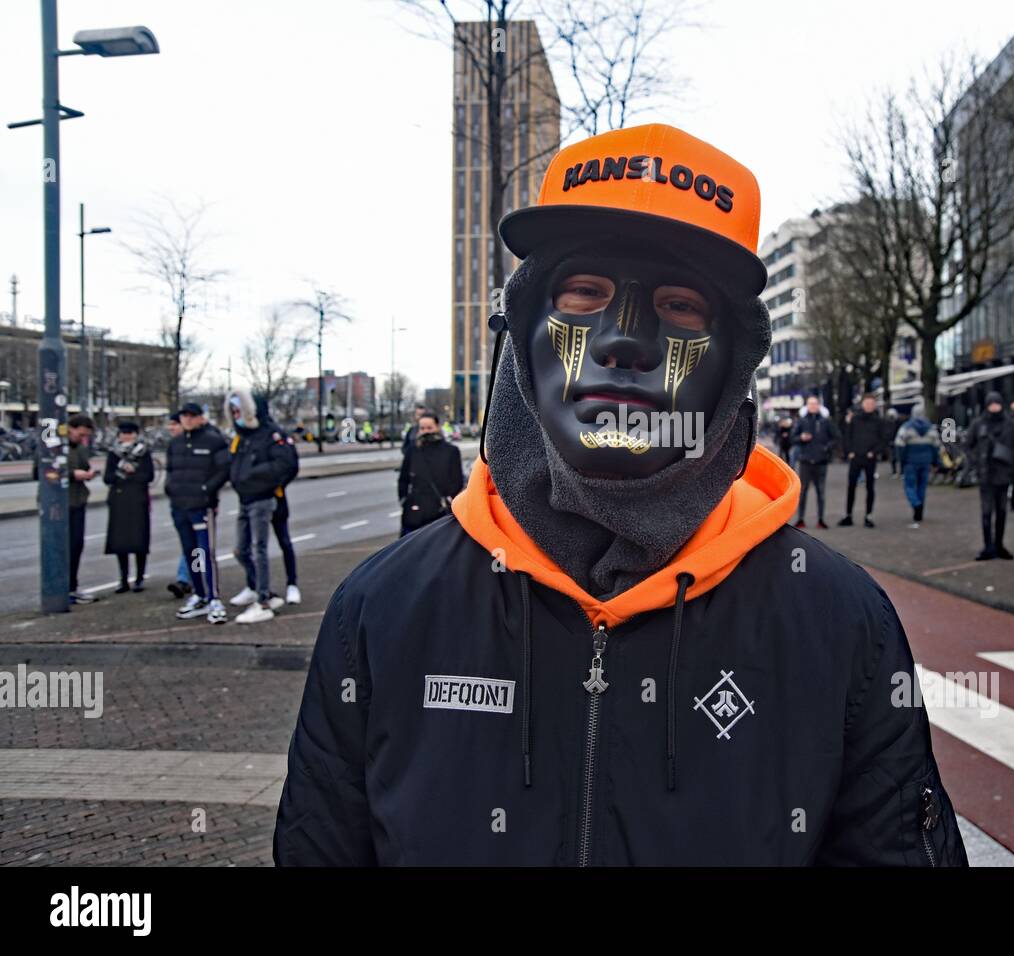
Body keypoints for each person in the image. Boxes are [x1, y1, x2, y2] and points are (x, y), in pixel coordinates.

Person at [274, 123, 966, 867]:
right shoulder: (385, 611)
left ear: (735, 367)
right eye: (583, 293)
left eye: (679, 306)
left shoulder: (837, 622)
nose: (623, 339)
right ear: (520, 340)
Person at [227, 390, 297, 624]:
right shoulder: (242, 436)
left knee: (261, 548)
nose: (236, 415)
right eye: (233, 411)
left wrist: (255, 479)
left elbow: (285, 465)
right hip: (245, 499)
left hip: (262, 499)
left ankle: (264, 599)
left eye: (240, 410)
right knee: (240, 550)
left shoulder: (271, 434)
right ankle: (257, 587)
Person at [167, 401, 231, 624]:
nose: (187, 419)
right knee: (192, 552)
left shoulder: (213, 441)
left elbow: (224, 469)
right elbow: (170, 470)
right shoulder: (175, 444)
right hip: (180, 506)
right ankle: (200, 593)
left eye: (192, 416)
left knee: (206, 553)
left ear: (201, 417)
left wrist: (207, 491)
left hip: (202, 507)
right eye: (184, 416)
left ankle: (214, 597)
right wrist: (171, 489)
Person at [966, 392, 1014, 560]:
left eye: (997, 404)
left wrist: (1013, 462)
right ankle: (987, 546)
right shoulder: (978, 424)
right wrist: (976, 461)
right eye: (991, 404)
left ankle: (999, 545)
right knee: (986, 512)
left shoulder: (1012, 424)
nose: (994, 407)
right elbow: (968, 445)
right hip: (986, 474)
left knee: (1002, 511)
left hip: (1004, 473)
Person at [103, 422, 153, 593]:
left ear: (136, 434)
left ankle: (139, 578)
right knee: (120, 541)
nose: (126, 436)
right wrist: (120, 472)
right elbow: (107, 477)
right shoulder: (114, 454)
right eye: (123, 433)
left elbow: (149, 476)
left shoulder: (144, 453)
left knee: (139, 539)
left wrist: (133, 473)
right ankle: (123, 579)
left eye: (130, 433)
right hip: (119, 500)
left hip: (138, 499)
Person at [398, 412, 463, 536]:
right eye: (422, 428)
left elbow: (457, 480)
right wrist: (404, 501)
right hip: (415, 512)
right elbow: (403, 479)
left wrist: (448, 499)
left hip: (440, 511)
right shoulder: (412, 451)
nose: (426, 431)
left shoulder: (451, 451)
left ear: (437, 427)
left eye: (429, 428)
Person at [839, 394, 889, 527]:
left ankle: (868, 515)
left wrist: (874, 452)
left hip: (869, 458)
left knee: (870, 487)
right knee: (851, 487)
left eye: (872, 404)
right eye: (867, 403)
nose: (869, 406)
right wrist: (849, 451)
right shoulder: (855, 419)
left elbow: (883, 439)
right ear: (862, 404)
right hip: (855, 457)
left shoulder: (879, 421)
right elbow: (847, 435)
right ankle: (848, 515)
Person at [792, 394, 839, 529]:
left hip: (821, 461)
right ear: (807, 406)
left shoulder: (826, 421)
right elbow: (792, 438)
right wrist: (801, 438)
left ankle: (821, 519)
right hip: (806, 461)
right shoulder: (802, 421)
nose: (812, 406)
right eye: (810, 404)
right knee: (803, 492)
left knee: (821, 492)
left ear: (819, 405)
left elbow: (836, 437)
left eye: (815, 403)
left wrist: (826, 448)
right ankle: (800, 519)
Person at [66, 414, 98, 605]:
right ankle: (62, 587)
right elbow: (42, 471)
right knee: (63, 546)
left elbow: (85, 466)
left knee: (76, 545)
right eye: (80, 434)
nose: (83, 438)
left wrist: (88, 474)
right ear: (70, 428)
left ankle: (72, 586)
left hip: (78, 500)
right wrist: (72, 474)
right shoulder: (54, 445)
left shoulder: (81, 448)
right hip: (62, 503)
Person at [269, 433, 302, 605]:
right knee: (250, 548)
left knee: (284, 542)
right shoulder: (244, 437)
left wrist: (276, 485)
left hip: (275, 499)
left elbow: (291, 465)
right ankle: (258, 587)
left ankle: (292, 583)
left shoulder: (275, 436)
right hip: (251, 500)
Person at [894, 405, 941, 527]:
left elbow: (899, 444)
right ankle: (919, 513)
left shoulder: (906, 427)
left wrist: (902, 460)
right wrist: (936, 462)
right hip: (926, 461)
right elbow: (936, 446)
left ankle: (916, 504)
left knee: (909, 485)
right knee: (922, 486)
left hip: (910, 461)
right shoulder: (931, 428)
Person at [163, 413, 193, 599]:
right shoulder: (173, 446)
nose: (171, 428)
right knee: (188, 543)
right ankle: (190, 578)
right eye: (170, 425)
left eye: (175, 424)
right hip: (178, 502)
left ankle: (189, 579)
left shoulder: (199, 443)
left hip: (197, 502)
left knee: (197, 545)